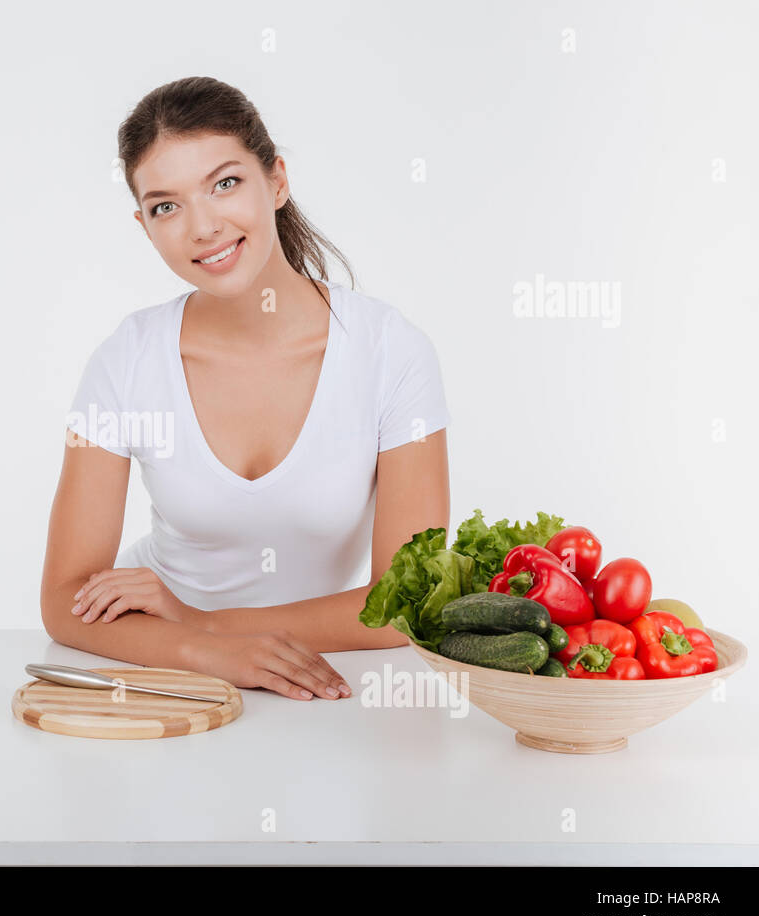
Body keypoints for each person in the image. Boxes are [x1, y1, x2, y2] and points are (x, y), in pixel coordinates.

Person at [40, 77, 451, 701]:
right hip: (159, 673)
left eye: (225, 184)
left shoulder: (391, 353)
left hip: (324, 685)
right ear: (144, 224)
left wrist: (205, 624)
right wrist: (200, 650)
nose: (202, 227)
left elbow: (406, 604)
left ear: (278, 180)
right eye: (165, 206)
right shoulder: (125, 360)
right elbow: (65, 599)